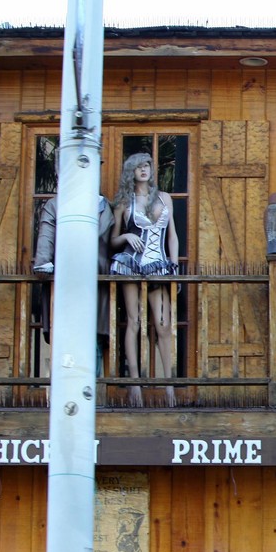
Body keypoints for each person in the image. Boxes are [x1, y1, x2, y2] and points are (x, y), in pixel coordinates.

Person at [110, 153, 180, 407]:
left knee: (163, 324)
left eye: (147, 165)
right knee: (133, 321)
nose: (144, 170)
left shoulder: (165, 198)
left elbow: (172, 235)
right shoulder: (123, 202)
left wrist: (174, 262)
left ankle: (170, 388)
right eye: (138, 166)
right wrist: (127, 237)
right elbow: (112, 240)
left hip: (159, 265)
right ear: (131, 171)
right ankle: (135, 387)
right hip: (130, 264)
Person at [32, 183, 115, 374]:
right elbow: (46, 238)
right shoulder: (56, 205)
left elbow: (113, 244)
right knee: (67, 338)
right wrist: (43, 264)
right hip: (66, 280)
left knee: (94, 338)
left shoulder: (105, 207)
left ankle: (90, 391)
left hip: (97, 281)